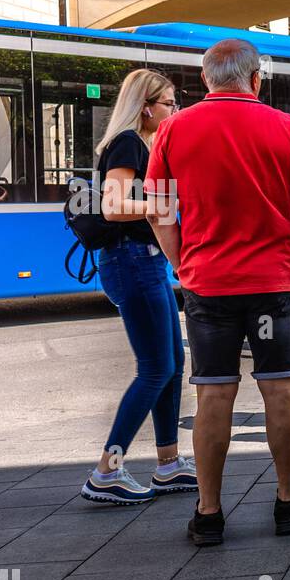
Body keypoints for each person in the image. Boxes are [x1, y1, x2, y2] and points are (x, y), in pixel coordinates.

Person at [143, 38, 290, 546]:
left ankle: (208, 512)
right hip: (274, 281)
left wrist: (182, 262)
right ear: (256, 79)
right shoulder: (289, 128)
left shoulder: (173, 130)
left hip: (208, 283)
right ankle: (288, 501)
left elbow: (157, 211)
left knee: (213, 394)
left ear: (205, 80)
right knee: (281, 390)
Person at [80, 69, 196, 505]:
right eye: (169, 103)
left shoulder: (143, 143)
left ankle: (167, 464)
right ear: (146, 105)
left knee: (172, 361)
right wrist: (169, 203)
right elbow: (112, 207)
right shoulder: (127, 142)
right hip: (131, 261)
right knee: (154, 368)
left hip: (144, 262)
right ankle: (106, 472)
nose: (174, 110)